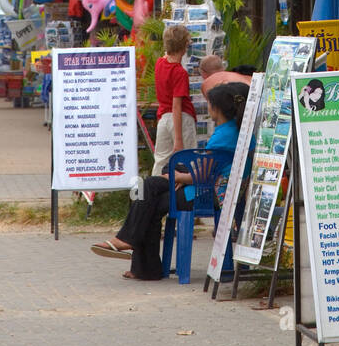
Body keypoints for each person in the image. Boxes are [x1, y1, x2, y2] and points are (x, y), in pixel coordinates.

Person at [91, 83, 250, 280]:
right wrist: (179, 176)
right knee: (148, 193)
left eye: (209, 104)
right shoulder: (236, 131)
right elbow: (208, 168)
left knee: (147, 192)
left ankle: (130, 246)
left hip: (206, 194)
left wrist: (179, 177)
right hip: (211, 190)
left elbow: (204, 175)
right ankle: (138, 259)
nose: (208, 108)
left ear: (217, 108)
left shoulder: (223, 135)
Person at [151, 24, 196, 176]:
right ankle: (188, 196)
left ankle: (152, 191)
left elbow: (167, 55)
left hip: (163, 118)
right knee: (189, 161)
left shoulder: (160, 63)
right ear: (184, 46)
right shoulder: (179, 73)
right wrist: (178, 139)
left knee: (161, 160)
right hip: (180, 119)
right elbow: (177, 106)